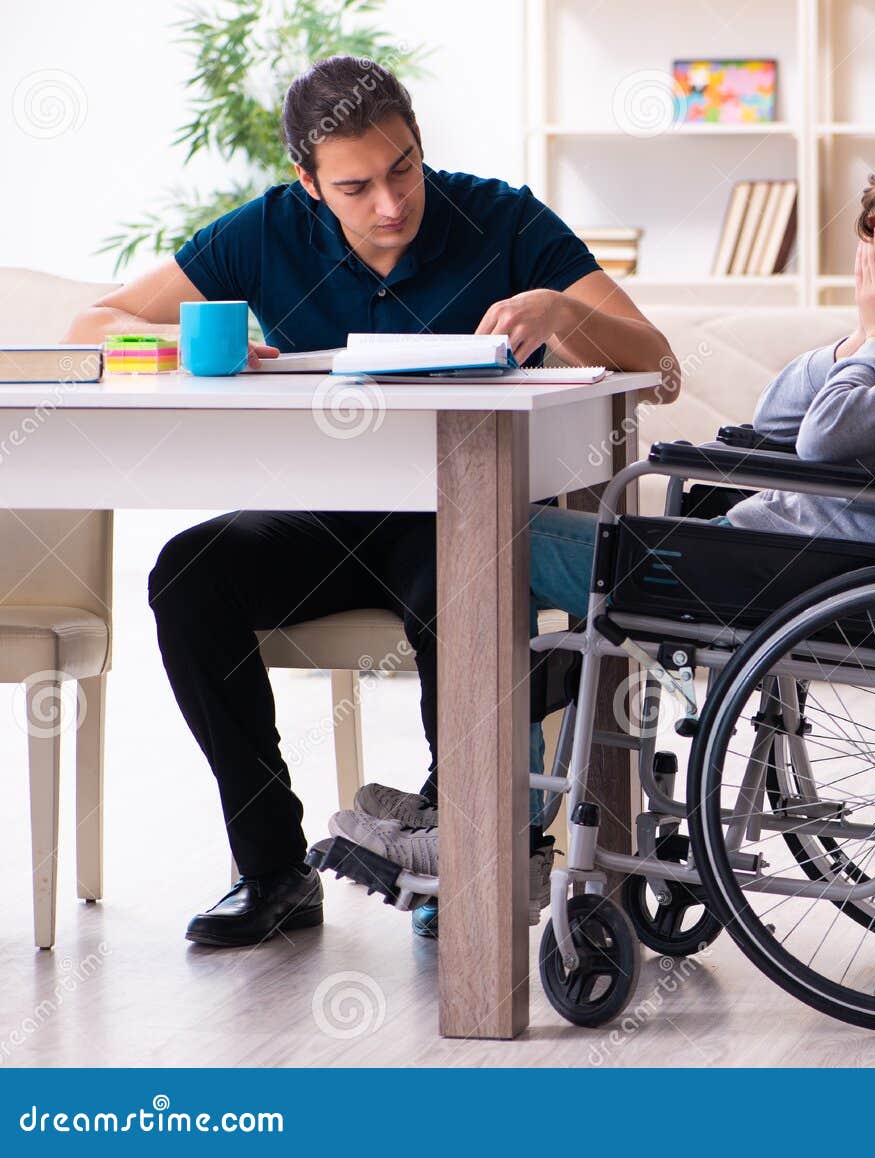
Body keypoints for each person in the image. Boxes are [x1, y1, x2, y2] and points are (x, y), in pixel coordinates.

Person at [329, 135, 875, 937]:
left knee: (492, 539)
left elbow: (822, 439)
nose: (874, 288)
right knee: (575, 596)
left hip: (796, 579)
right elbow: (784, 416)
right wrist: (863, 339)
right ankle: (480, 812)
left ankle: (482, 838)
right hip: (792, 565)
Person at [65, 55, 676, 948]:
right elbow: (93, 326)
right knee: (189, 574)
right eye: (356, 187)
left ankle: (464, 846)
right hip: (326, 516)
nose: (390, 204)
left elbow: (658, 365)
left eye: (403, 170)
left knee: (461, 577)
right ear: (308, 185)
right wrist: (223, 336)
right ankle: (274, 872)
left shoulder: (502, 218)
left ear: (421, 149)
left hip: (463, 513)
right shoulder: (262, 233)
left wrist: (560, 312)